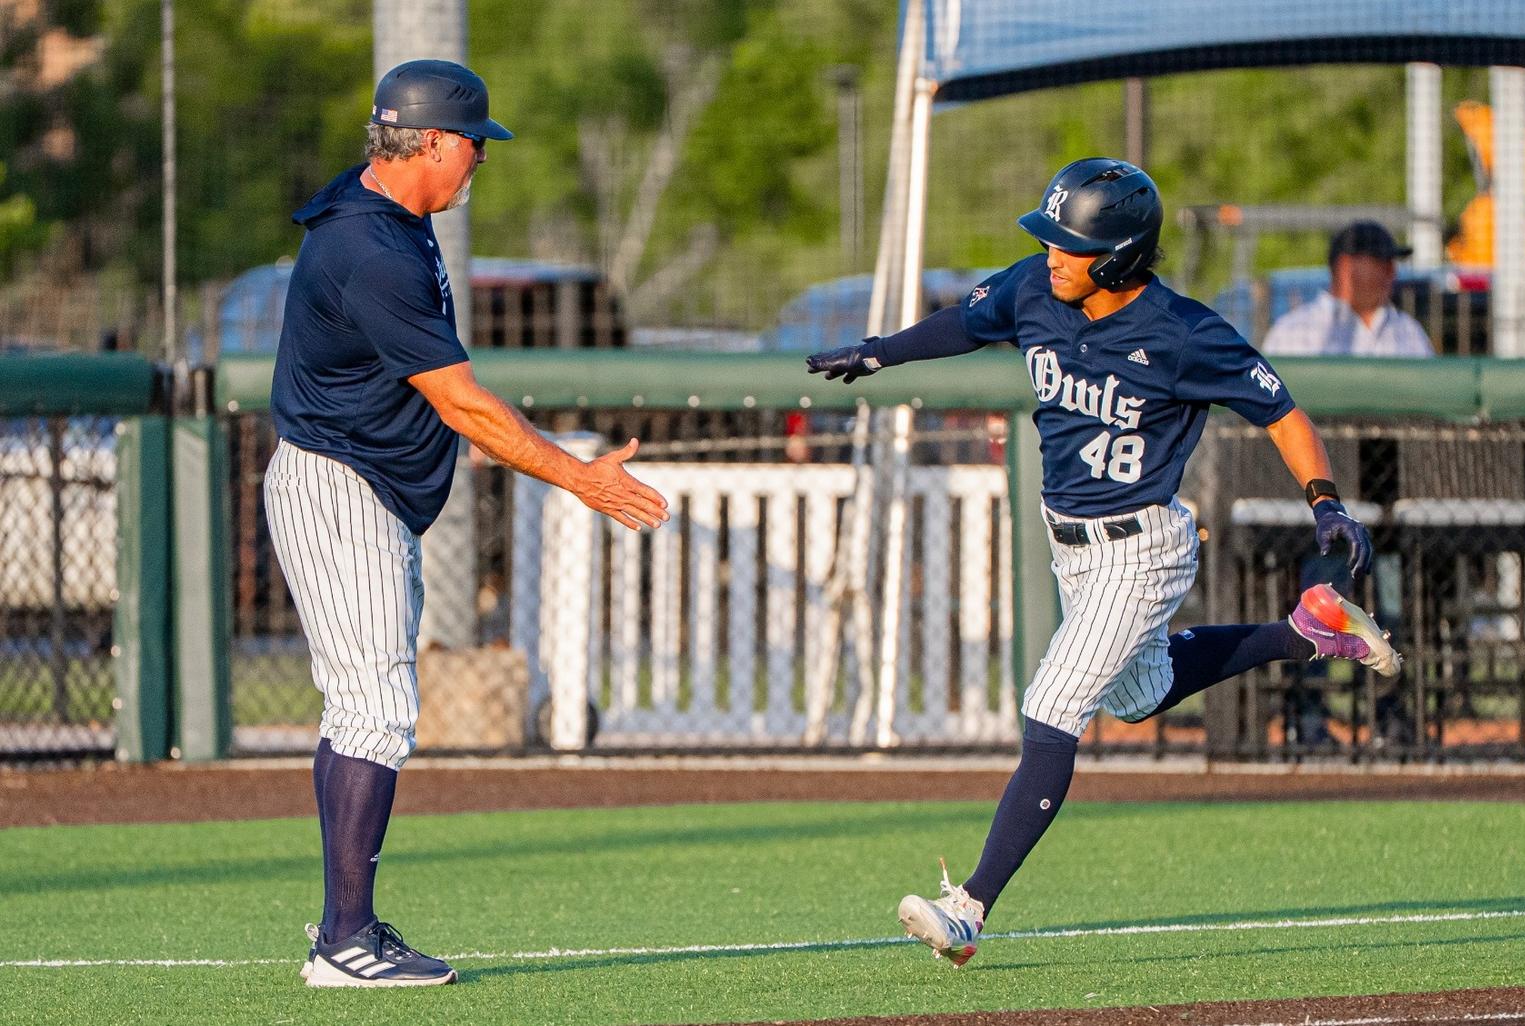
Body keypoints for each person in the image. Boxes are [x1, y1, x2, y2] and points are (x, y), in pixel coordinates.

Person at [806, 158, 1402, 967]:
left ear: (1119, 256)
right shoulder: (1035, 289)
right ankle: (1306, 633)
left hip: (1141, 546)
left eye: (1071, 245)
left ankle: (970, 907)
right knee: (1142, 694)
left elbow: (1280, 409)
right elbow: (966, 321)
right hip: (1071, 546)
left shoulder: (1183, 332)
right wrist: (881, 355)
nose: (1052, 255)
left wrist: (1325, 500)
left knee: (1052, 704)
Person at [264, 59, 668, 988]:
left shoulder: (384, 212)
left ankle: (345, 926)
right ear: (436, 141)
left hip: (353, 482)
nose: (480, 162)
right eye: (475, 146)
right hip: (341, 490)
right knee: (375, 709)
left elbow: (402, 384)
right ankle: (345, 942)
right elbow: (465, 405)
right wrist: (581, 480)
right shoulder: (373, 249)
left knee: (362, 707)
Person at [1262, 220, 1434, 357]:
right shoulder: (1293, 332)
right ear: (1346, 266)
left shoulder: (1408, 330)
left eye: (1392, 264)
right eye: (1380, 262)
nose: (1391, 272)